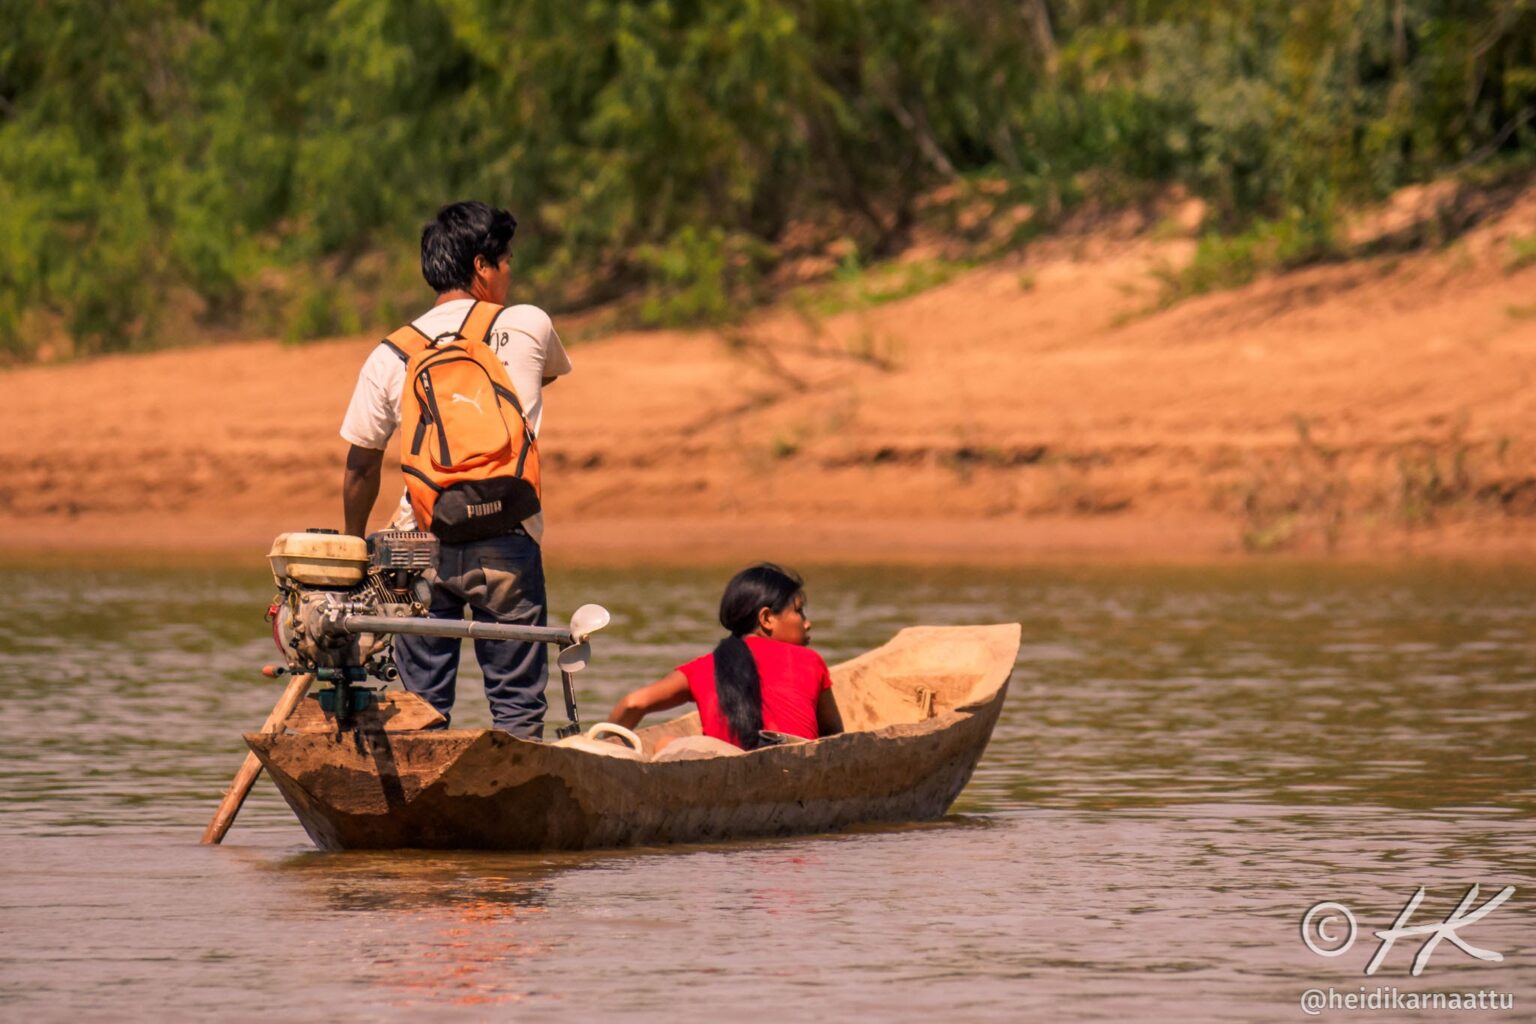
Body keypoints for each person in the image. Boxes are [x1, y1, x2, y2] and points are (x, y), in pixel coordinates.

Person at [339, 201, 571, 736]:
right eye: (506, 262)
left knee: (420, 706)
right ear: (483, 265)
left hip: (420, 541)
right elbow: (541, 380)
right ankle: (511, 805)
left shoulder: (390, 354)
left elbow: (359, 465)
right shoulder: (528, 324)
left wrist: (354, 554)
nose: (509, 274)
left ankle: (423, 806)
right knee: (516, 706)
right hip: (507, 537)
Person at [607, 564, 842, 749]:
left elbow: (633, 703)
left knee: (663, 744)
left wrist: (601, 749)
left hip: (726, 770)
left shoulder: (705, 665)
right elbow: (834, 736)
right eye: (799, 611)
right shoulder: (809, 660)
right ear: (767, 618)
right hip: (794, 773)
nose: (807, 623)